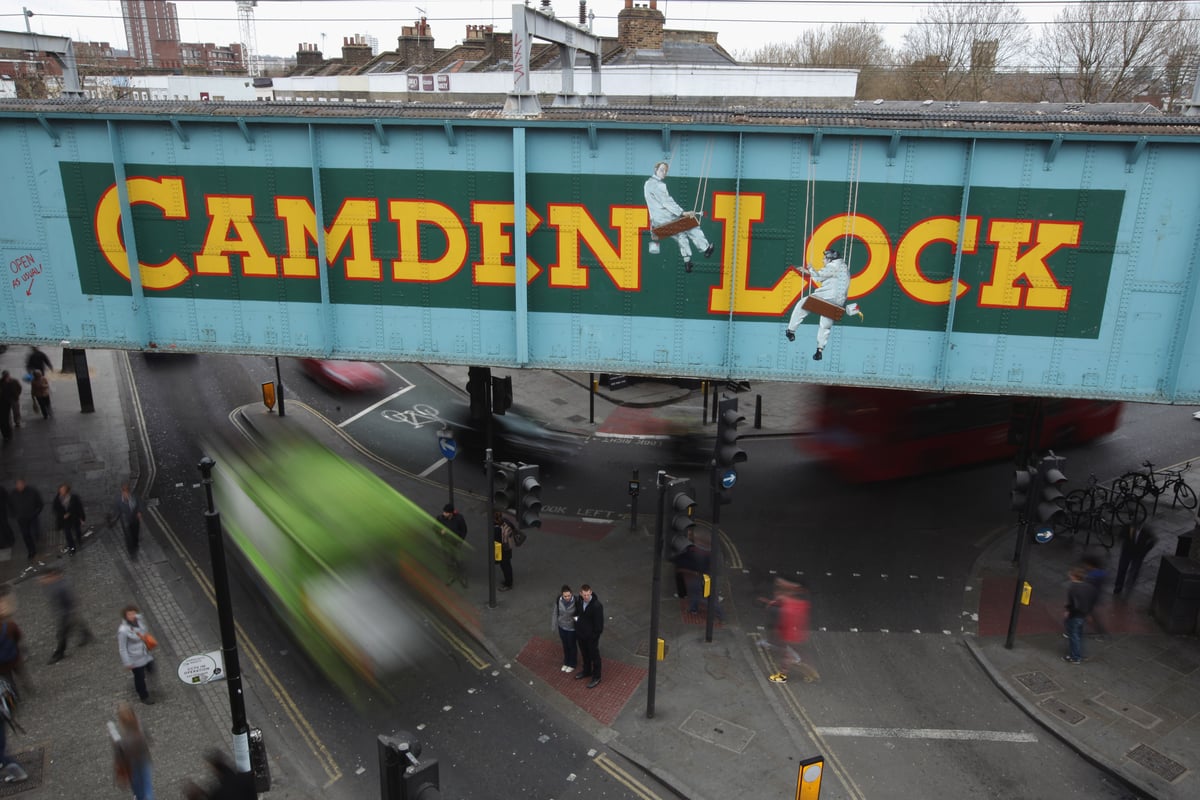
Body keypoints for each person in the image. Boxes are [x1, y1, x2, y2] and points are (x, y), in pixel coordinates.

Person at [783, 249, 863, 361]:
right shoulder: (844, 268)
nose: (822, 260)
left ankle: (790, 331)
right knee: (825, 325)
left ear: (830, 259)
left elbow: (818, 277)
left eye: (824, 258)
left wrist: (808, 269)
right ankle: (819, 350)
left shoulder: (833, 266)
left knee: (802, 305)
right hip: (838, 303)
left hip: (826, 298)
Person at [644, 161, 714, 273]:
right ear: (655, 169)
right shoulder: (659, 185)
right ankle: (706, 248)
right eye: (662, 169)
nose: (664, 172)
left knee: (681, 234)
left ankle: (687, 262)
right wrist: (683, 213)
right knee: (691, 224)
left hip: (656, 224)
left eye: (666, 170)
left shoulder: (647, 183)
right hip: (665, 220)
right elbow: (667, 202)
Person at [763, 578, 814, 683]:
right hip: (792, 634)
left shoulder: (792, 605)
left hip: (790, 635)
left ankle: (785, 675)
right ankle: (808, 671)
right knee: (790, 654)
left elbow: (788, 620)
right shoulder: (797, 602)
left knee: (788, 656)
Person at [41, 565, 94, 664]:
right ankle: (86, 634)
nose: (44, 580)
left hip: (66, 614)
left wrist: (68, 614)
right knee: (77, 622)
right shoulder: (54, 583)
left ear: (53, 575)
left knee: (62, 634)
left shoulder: (63, 586)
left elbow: (71, 601)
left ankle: (59, 653)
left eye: (46, 577)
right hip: (65, 613)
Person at [111, 702, 154, 800]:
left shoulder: (122, 740)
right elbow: (148, 739)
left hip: (131, 764)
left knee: (137, 787)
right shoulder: (140, 726)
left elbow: (120, 757)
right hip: (144, 759)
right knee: (147, 786)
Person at [117, 605, 157, 704]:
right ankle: (144, 696)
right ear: (125, 616)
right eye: (129, 614)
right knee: (139, 677)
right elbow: (122, 648)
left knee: (151, 668)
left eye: (133, 613)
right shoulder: (123, 630)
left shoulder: (139, 621)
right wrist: (127, 662)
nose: (132, 616)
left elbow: (144, 632)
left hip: (145, 652)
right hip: (134, 657)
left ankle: (150, 686)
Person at [1113, 522, 1158, 595]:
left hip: (1138, 554)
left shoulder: (1146, 531)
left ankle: (1129, 586)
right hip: (1126, 553)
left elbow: (1153, 540)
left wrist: (1145, 551)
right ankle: (1118, 586)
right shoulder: (1127, 528)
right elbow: (1120, 536)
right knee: (1122, 569)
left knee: (1134, 571)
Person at [1064, 566, 1098, 664]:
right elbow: (1093, 600)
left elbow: (1074, 604)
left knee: (1073, 635)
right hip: (1084, 615)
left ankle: (1075, 657)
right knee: (1079, 634)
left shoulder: (1073, 588)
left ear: (1074, 577)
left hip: (1075, 615)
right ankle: (1077, 654)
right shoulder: (1089, 587)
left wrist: (1068, 611)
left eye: (1071, 575)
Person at [573, 584, 604, 689]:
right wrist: (577, 623)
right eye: (584, 594)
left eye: (587, 594)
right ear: (581, 593)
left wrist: (593, 637)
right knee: (585, 654)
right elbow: (576, 613)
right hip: (581, 635)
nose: (586, 597)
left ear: (591, 592)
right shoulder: (579, 601)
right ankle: (587, 671)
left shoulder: (597, 606)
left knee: (594, 656)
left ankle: (596, 677)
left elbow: (599, 626)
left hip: (591, 637)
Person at [10, 480, 43, 561]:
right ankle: (31, 551)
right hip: (21, 518)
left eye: (21, 484)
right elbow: (10, 505)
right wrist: (14, 515)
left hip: (32, 517)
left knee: (33, 532)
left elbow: (40, 503)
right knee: (25, 534)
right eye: (18, 485)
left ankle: (36, 540)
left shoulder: (32, 491)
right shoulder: (13, 493)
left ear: (24, 484)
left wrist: (36, 513)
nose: (19, 486)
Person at [51, 483, 85, 555]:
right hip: (65, 520)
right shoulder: (57, 499)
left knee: (77, 530)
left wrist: (81, 518)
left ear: (67, 491)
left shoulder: (74, 497)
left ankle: (79, 538)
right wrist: (62, 515)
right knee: (67, 534)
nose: (61, 492)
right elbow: (55, 509)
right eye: (60, 490)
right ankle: (72, 548)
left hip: (74, 517)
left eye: (63, 490)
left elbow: (79, 508)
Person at [551, 585, 578, 673]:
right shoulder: (559, 600)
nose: (567, 598)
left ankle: (572, 663)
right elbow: (555, 612)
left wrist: (575, 620)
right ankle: (566, 662)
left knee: (572, 645)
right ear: (562, 595)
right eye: (565, 596)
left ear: (571, 594)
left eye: (568, 596)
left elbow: (579, 614)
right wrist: (554, 625)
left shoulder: (576, 601)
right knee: (565, 645)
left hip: (571, 628)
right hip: (562, 626)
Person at [1080, 554, 1109, 636]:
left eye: (1085, 565)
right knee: (1090, 614)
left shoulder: (1091, 577)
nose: (1084, 566)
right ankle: (1100, 630)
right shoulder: (1101, 573)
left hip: (1089, 599)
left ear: (1090, 565)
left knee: (1086, 614)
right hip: (1094, 598)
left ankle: (1100, 631)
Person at [115, 484, 144, 559]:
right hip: (126, 521)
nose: (126, 494)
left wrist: (139, 511)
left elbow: (140, 504)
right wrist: (114, 519)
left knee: (135, 534)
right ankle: (132, 553)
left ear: (129, 492)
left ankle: (135, 545)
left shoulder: (135, 497)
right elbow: (117, 511)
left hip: (135, 519)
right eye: (124, 493)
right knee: (128, 537)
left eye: (127, 492)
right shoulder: (119, 501)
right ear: (122, 492)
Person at [493, 510, 515, 591]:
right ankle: (508, 581)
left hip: (500, 549)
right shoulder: (506, 521)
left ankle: (508, 584)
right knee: (507, 565)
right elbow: (513, 527)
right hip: (508, 547)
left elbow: (495, 541)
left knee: (504, 566)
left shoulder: (496, 529)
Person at [0, 486, 13, 550]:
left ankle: (5, 542)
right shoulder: (2, 488)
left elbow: (7, 498)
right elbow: (7, 498)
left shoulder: (1, 489)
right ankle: (9, 540)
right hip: (2, 510)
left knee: (4, 526)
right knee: (4, 525)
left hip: (2, 510)